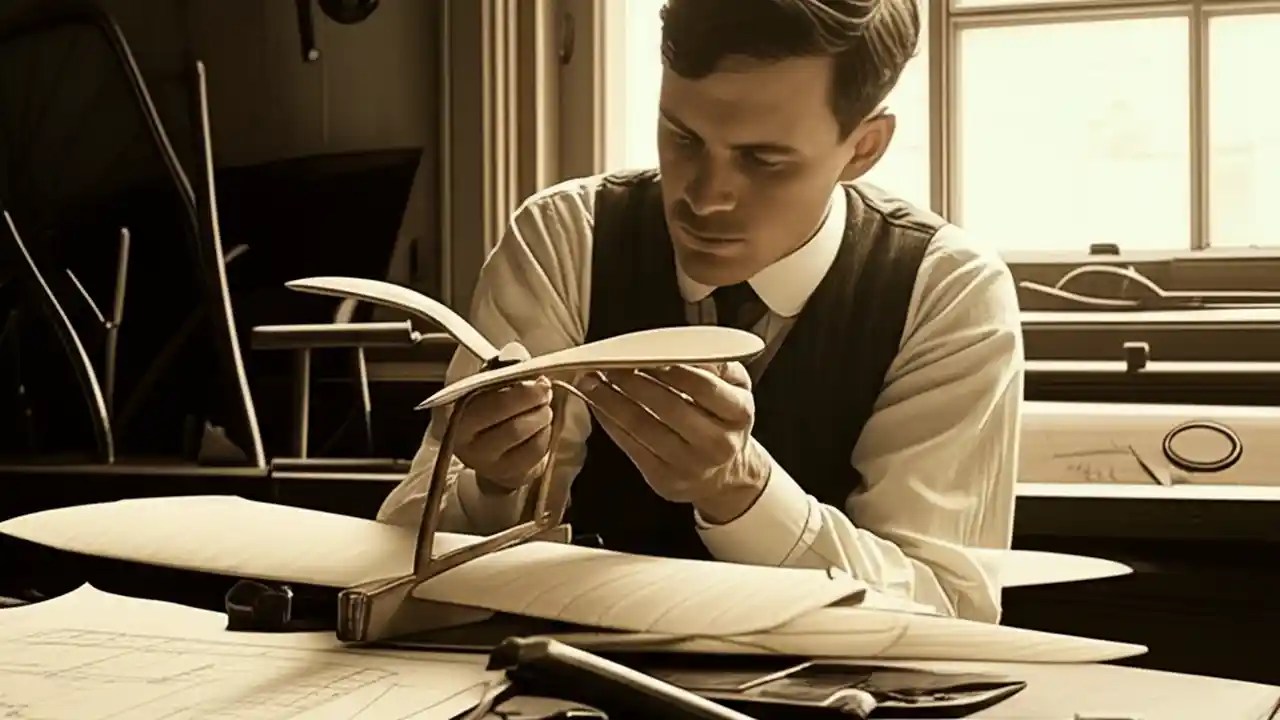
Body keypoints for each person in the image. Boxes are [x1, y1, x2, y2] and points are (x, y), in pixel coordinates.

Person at [379, 0, 1024, 623]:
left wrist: (741, 492)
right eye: (682, 137)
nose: (705, 198)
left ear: (863, 147)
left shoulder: (948, 294)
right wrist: (491, 488)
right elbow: (397, 546)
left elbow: (950, 610)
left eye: (762, 160)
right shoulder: (566, 237)